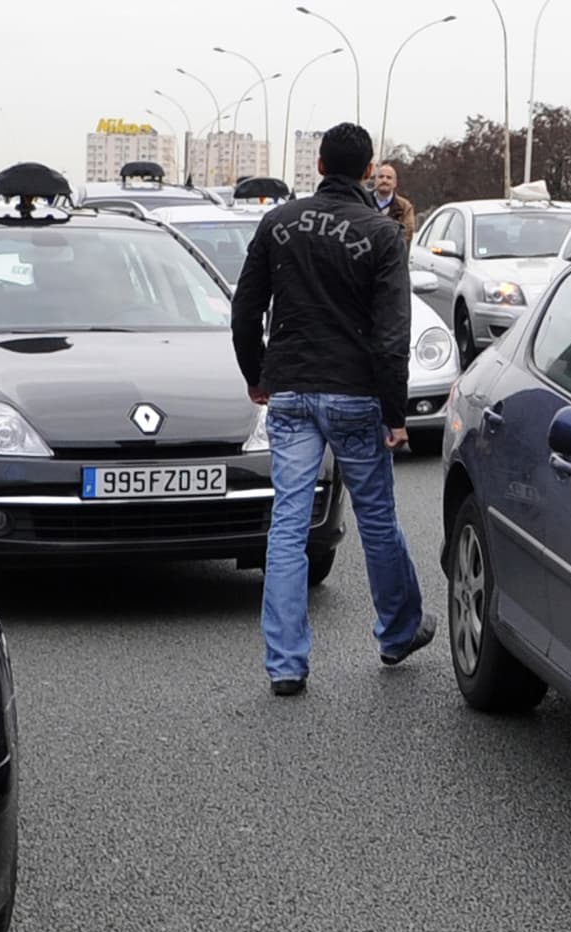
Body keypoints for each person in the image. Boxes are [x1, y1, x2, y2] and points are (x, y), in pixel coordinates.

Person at [232, 122, 431, 696]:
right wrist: (396, 414)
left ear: (318, 164)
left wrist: (256, 375)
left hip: (290, 389)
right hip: (356, 394)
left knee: (289, 525)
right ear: (369, 171)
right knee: (377, 520)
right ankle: (397, 632)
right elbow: (393, 336)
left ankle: (286, 662)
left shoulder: (278, 223)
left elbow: (245, 312)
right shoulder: (383, 234)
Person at [369, 161, 416, 245]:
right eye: (381, 176)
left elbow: (407, 235)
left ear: (395, 183)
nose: (384, 180)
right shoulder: (362, 201)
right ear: (375, 181)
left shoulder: (405, 207)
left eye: (389, 177)